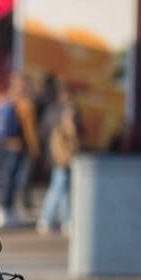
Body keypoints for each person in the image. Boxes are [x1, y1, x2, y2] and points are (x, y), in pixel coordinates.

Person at [0, 74, 41, 228]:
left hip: (1, 144)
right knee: (12, 178)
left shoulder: (0, 99)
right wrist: (35, 148)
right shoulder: (25, 104)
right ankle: (6, 209)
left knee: (6, 176)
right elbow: (29, 130)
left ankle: (4, 209)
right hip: (16, 145)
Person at [36, 85, 80, 235]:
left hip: (56, 155)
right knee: (58, 187)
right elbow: (72, 131)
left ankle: (66, 221)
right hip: (62, 156)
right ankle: (47, 219)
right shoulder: (66, 111)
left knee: (62, 189)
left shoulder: (52, 110)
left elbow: (43, 131)